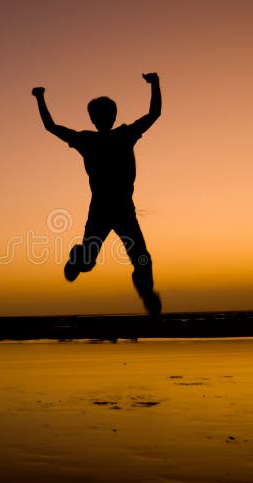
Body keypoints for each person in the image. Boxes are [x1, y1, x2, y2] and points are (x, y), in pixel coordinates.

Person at [32, 73, 162, 317]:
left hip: (123, 211)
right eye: (99, 116)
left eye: (107, 115)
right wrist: (40, 98)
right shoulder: (89, 140)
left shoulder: (122, 135)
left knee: (141, 258)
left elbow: (154, 114)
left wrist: (155, 84)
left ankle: (147, 294)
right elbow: (51, 127)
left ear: (113, 116)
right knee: (94, 262)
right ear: (93, 119)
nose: (104, 119)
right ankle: (79, 258)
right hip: (102, 212)